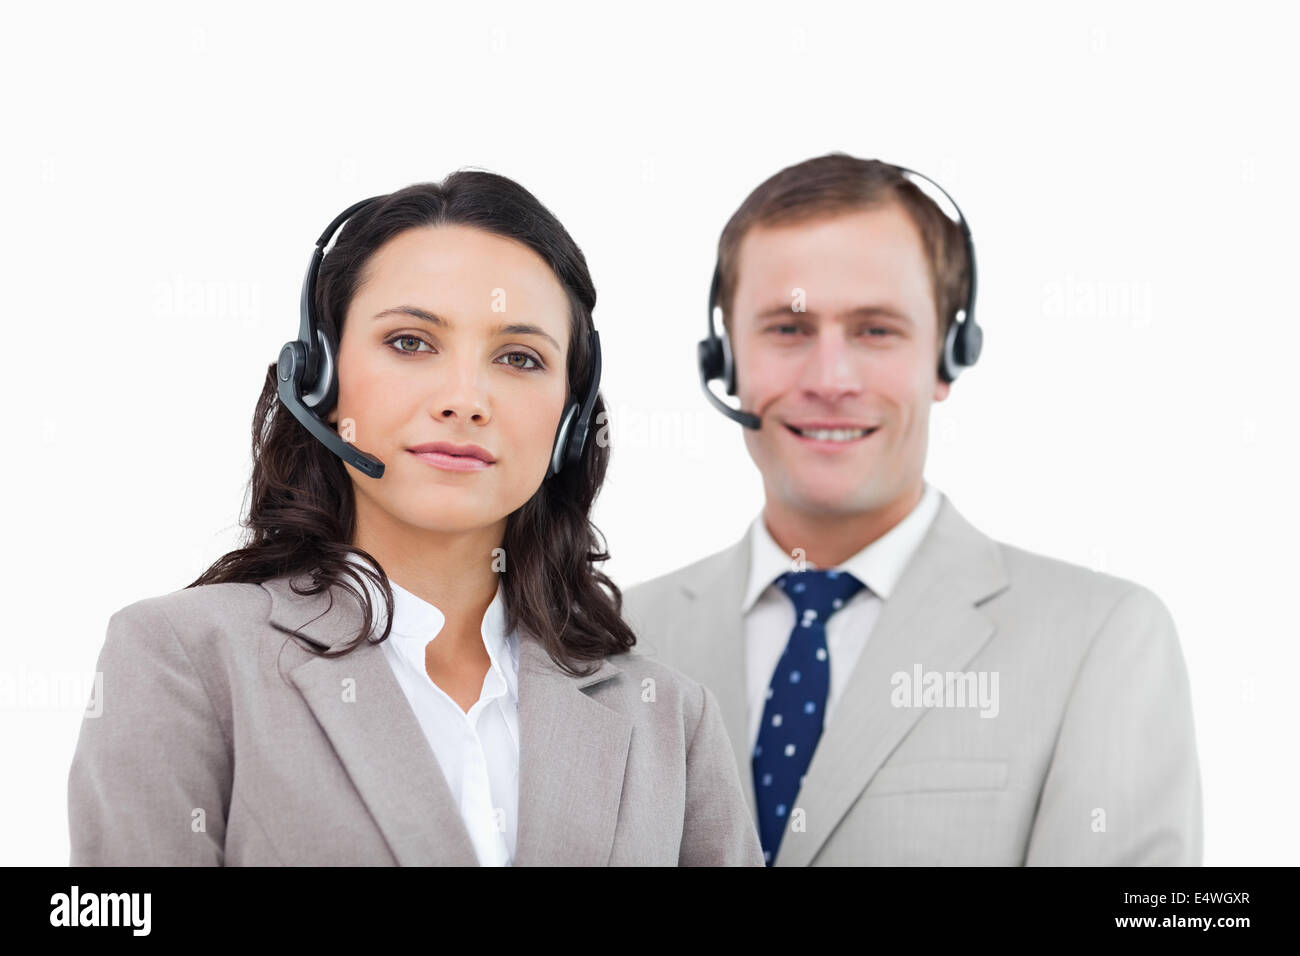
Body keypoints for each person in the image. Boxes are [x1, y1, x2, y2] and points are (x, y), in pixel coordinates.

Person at [67, 170, 762, 867]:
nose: (465, 400)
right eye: (410, 342)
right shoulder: (183, 659)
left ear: (571, 420)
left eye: (519, 358)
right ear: (320, 378)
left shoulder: (670, 719)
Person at [621, 153, 1202, 866]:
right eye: (788, 330)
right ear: (724, 360)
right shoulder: (611, 638)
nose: (830, 379)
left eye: (875, 330)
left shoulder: (1102, 641)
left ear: (948, 356)